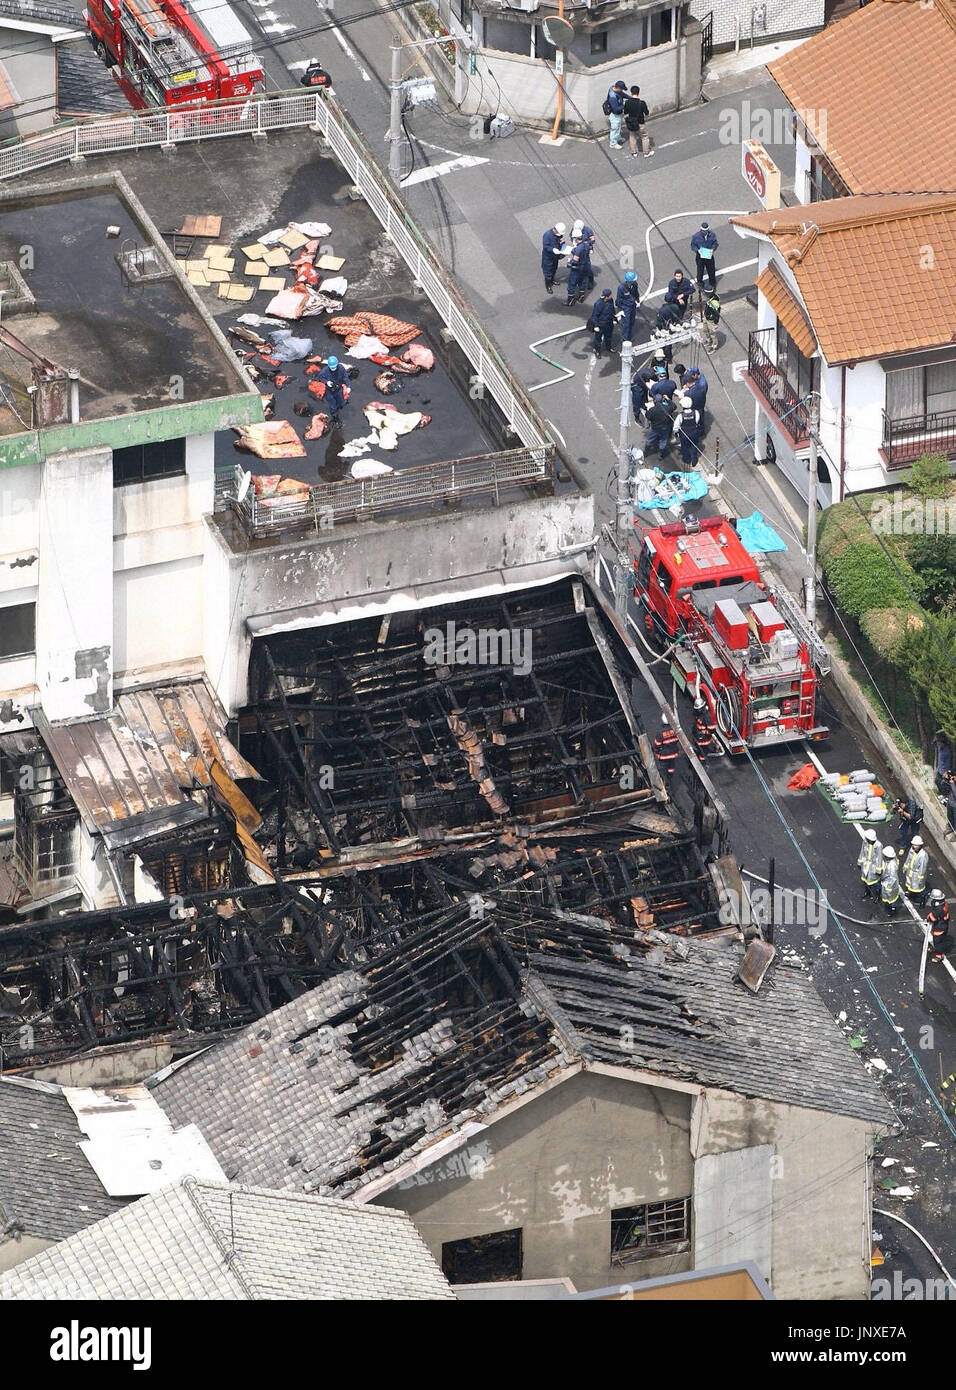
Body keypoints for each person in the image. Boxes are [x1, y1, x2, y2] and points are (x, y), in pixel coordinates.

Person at [317, 355, 350, 420]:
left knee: (341, 401)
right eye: (331, 367)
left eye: (334, 367)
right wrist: (326, 382)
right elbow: (320, 377)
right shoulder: (325, 370)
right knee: (332, 404)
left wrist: (348, 386)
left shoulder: (341, 368)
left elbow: (345, 377)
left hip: (339, 388)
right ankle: (334, 415)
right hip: (329, 391)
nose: (333, 369)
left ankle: (341, 405)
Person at [674, 393, 702, 467]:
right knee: (694, 446)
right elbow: (697, 421)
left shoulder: (680, 416)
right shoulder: (696, 413)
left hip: (684, 434)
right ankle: (694, 461)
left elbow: (676, 427)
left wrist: (675, 433)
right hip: (694, 432)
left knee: (685, 447)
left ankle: (686, 460)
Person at [623, 85, 651, 158]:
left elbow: (625, 112)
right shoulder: (642, 103)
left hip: (632, 123)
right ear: (638, 92)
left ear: (631, 92)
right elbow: (647, 113)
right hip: (640, 123)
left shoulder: (627, 102)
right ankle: (646, 153)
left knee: (632, 137)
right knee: (644, 137)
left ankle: (634, 152)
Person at [690, 221, 718, 292]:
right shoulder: (696, 236)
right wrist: (697, 250)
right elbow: (692, 245)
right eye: (703, 231)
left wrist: (713, 249)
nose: (704, 232)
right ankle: (700, 284)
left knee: (711, 271)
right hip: (700, 257)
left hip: (709, 256)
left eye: (706, 231)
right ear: (701, 229)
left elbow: (715, 243)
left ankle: (712, 284)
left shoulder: (712, 235)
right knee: (700, 271)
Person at [644, 395, 674, 461]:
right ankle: (660, 454)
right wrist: (668, 399)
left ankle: (646, 452)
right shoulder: (667, 408)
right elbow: (674, 406)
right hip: (665, 428)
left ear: (654, 401)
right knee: (663, 440)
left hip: (655, 428)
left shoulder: (652, 409)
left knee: (650, 439)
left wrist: (648, 409)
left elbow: (647, 416)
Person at [902, 835, 929, 907]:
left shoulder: (923, 855)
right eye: (914, 845)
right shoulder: (912, 850)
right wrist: (905, 866)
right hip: (911, 872)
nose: (915, 846)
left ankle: (922, 900)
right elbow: (908, 859)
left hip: (917, 874)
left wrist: (920, 878)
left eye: (917, 845)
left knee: (919, 888)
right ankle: (911, 894)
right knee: (910, 884)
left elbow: (922, 868)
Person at [541, 222, 566, 295]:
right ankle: (548, 285)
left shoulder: (558, 235)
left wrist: (563, 246)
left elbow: (561, 240)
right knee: (548, 271)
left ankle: (552, 280)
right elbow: (546, 246)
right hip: (548, 257)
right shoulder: (547, 235)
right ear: (555, 229)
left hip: (555, 255)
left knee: (554, 268)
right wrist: (553, 249)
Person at [565, 236, 591, 306]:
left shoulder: (578, 249)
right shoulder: (586, 245)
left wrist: (570, 261)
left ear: (576, 239)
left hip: (577, 269)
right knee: (582, 282)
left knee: (571, 284)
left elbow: (575, 261)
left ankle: (570, 300)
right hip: (585, 267)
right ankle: (581, 297)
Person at [589, 288, 615, 357]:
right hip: (601, 325)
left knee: (609, 336)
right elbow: (594, 316)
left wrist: (614, 317)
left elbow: (612, 309)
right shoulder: (599, 304)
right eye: (610, 295)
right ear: (606, 296)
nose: (611, 296)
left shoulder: (610, 300)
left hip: (609, 323)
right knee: (598, 339)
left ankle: (608, 348)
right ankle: (597, 350)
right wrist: (596, 326)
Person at [653, 712, 680, 779]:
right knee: (671, 766)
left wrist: (656, 750)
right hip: (673, 753)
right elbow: (677, 740)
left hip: (664, 755)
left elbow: (657, 745)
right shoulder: (675, 729)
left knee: (663, 768)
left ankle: (665, 781)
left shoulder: (660, 733)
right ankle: (670, 777)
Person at [926, 888, 951, 962]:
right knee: (936, 939)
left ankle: (939, 955)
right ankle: (935, 947)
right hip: (942, 924)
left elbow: (932, 918)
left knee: (938, 941)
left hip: (940, 927)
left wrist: (928, 918)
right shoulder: (943, 904)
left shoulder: (939, 909)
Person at [571, 220, 597, 290]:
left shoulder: (588, 230)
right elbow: (571, 236)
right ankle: (579, 278)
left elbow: (592, 240)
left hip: (585, 249)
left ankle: (591, 280)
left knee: (587, 266)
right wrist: (574, 242)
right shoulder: (575, 229)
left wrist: (586, 243)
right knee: (577, 262)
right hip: (577, 247)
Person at [615, 271, 640, 342]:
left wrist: (637, 300)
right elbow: (619, 299)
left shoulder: (635, 285)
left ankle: (629, 334)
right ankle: (625, 339)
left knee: (632, 321)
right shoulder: (621, 288)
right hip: (625, 307)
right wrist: (621, 309)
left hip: (633, 306)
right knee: (626, 323)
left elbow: (636, 293)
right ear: (629, 281)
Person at [858, 828, 882, 901]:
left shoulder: (878, 845)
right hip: (866, 865)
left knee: (875, 883)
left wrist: (878, 869)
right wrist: (859, 862)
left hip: (873, 866)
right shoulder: (865, 841)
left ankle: (878, 896)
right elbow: (862, 851)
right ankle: (867, 893)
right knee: (865, 880)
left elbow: (879, 858)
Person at [605, 80, 627, 149]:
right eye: (621, 89)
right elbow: (615, 109)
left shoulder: (615, 89)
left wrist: (630, 98)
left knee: (618, 127)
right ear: (617, 88)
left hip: (618, 114)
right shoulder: (612, 97)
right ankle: (613, 144)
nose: (622, 91)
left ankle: (618, 138)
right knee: (614, 128)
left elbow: (623, 94)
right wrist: (624, 105)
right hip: (614, 115)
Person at [880, 844, 900, 915]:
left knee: (892, 899)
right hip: (887, 883)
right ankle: (890, 908)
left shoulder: (892, 866)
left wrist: (888, 886)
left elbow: (892, 878)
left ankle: (893, 910)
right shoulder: (890, 862)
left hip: (889, 885)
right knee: (889, 897)